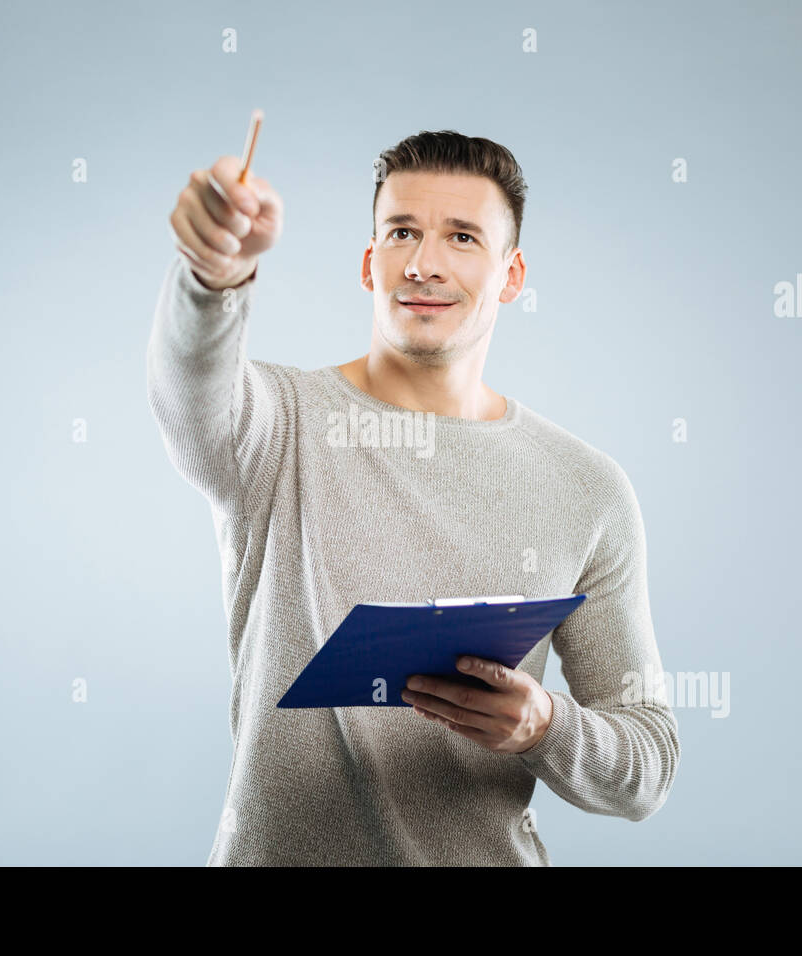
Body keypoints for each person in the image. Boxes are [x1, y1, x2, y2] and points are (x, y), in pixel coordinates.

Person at [147, 129, 679, 865]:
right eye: (402, 232)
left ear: (512, 274)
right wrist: (212, 275)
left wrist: (545, 727)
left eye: (463, 237)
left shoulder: (587, 488)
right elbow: (187, 394)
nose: (425, 263)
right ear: (371, 263)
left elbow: (647, 764)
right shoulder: (278, 424)